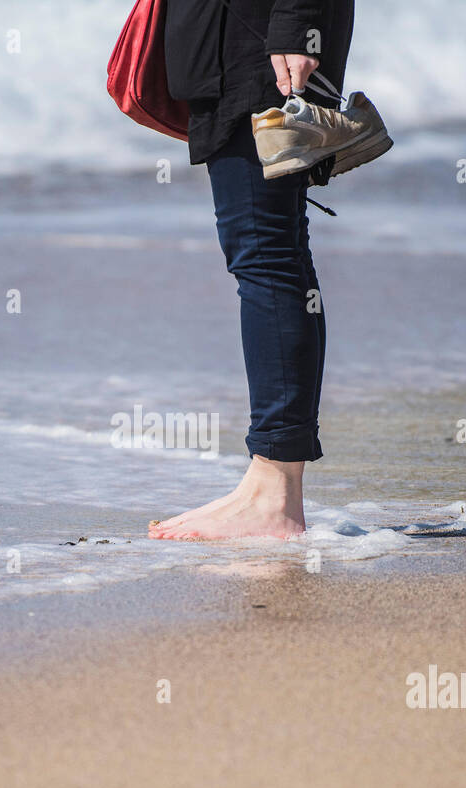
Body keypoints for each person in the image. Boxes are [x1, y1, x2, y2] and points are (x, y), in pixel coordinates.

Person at [149, 0, 358, 541]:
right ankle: (269, 483)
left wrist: (297, 24)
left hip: (257, 42)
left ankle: (274, 494)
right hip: (244, 42)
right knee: (274, 252)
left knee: (267, 256)